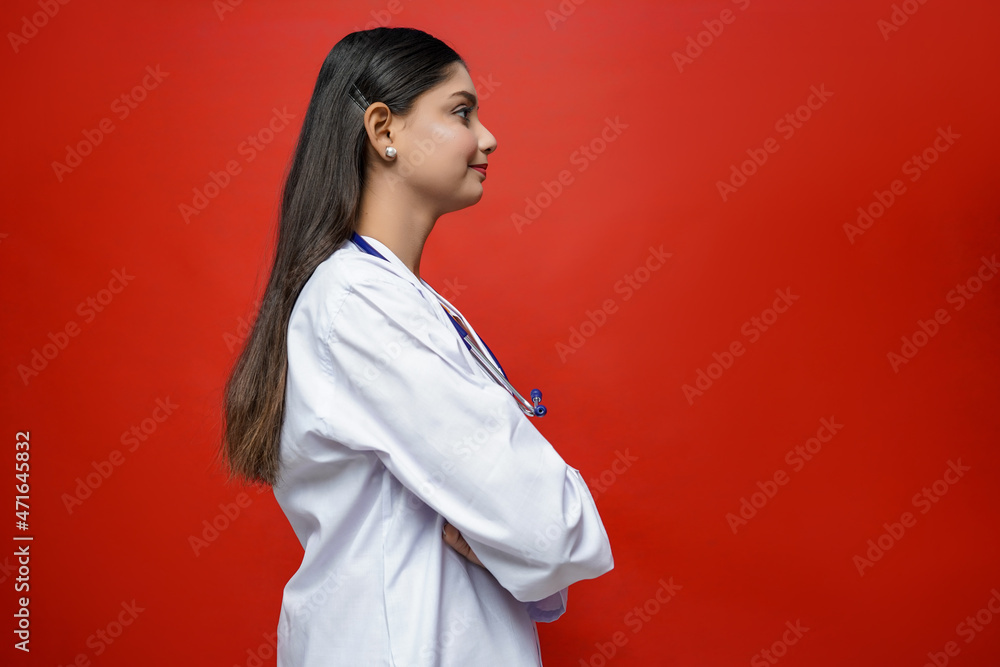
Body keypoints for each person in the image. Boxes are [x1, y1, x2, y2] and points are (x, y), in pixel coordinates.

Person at [219, 26, 614, 666]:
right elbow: (552, 527)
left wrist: (503, 531)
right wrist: (507, 530)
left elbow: (537, 538)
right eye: (461, 111)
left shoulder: (380, 295)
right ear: (384, 131)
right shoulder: (362, 305)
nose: (487, 137)